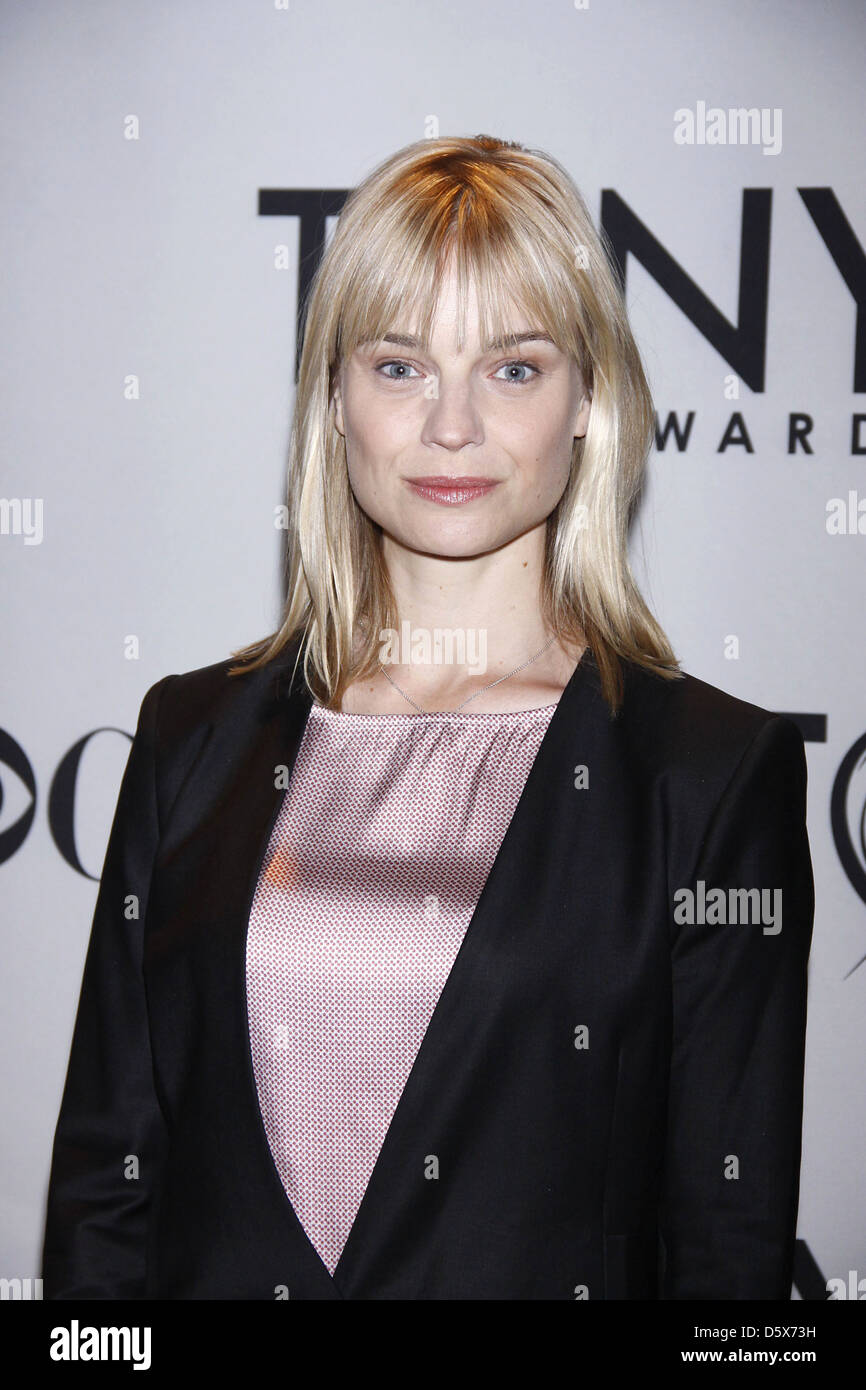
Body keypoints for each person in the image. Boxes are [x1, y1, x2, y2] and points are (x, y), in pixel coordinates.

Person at [42, 134, 814, 1300]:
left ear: (591, 402)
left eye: (512, 368)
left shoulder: (704, 778)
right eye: (399, 366)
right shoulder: (189, 738)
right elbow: (109, 1188)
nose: (449, 427)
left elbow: (726, 1250)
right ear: (334, 400)